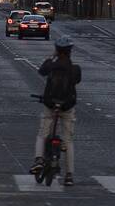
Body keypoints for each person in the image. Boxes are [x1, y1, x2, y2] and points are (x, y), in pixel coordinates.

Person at [32, 34, 81, 186]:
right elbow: (77, 80)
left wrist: (51, 58)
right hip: (67, 106)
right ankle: (69, 175)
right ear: (70, 51)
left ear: (57, 49)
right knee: (68, 140)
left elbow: (41, 71)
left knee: (42, 133)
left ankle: (39, 159)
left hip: (50, 104)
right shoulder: (74, 68)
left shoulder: (52, 65)